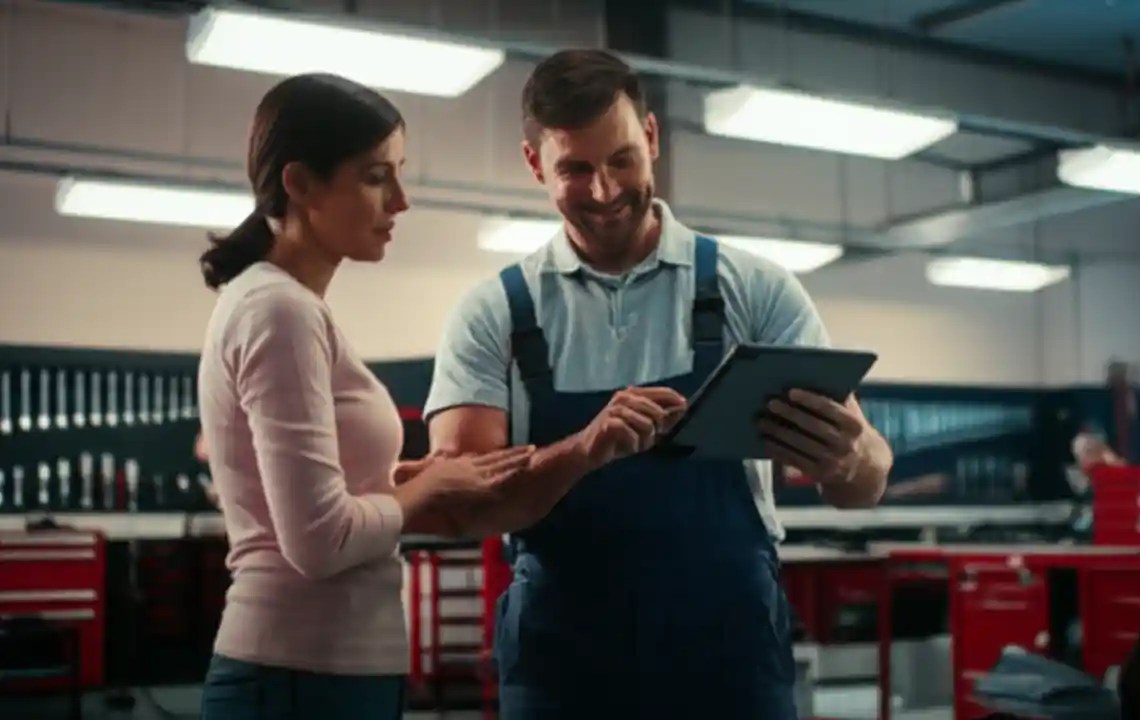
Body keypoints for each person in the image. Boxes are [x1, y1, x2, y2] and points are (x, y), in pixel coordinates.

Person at [423, 50, 893, 718]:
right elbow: (463, 506)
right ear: (535, 165)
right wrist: (585, 449)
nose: (605, 191)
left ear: (651, 136)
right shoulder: (494, 313)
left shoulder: (753, 290)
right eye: (576, 169)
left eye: (621, 159)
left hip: (727, 652)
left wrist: (851, 456)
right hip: (564, 660)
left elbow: (866, 481)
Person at [195, 73, 532, 720]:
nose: (400, 201)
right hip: (300, 677)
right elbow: (319, 541)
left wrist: (395, 483)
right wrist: (427, 489)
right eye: (376, 177)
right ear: (299, 183)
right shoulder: (279, 312)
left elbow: (320, 510)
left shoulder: (283, 307)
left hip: (318, 673)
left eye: (399, 174)